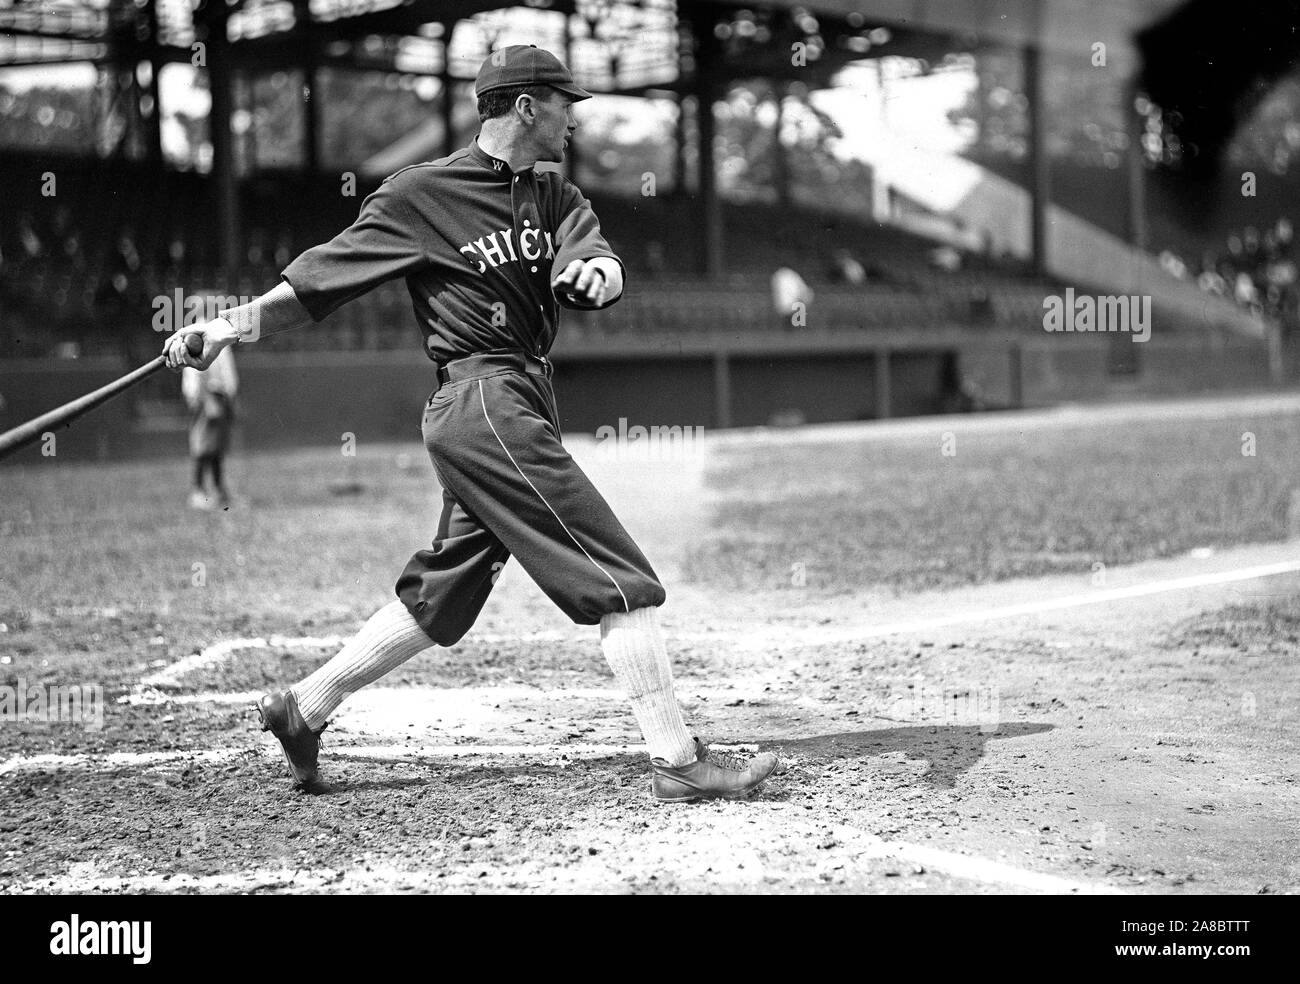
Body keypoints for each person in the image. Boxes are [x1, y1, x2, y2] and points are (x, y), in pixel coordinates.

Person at [161, 44, 780, 802]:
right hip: (481, 399)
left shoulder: (553, 193)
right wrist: (226, 328)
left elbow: (602, 262)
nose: (571, 120)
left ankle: (307, 706)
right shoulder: (421, 194)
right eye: (563, 103)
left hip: (515, 401)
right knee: (618, 579)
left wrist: (596, 277)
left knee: (445, 591)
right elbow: (319, 282)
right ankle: (678, 761)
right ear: (526, 106)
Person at [182, 344, 237, 510]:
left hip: (219, 396)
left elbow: (228, 372)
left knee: (216, 447)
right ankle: (197, 491)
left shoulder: (221, 335)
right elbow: (194, 370)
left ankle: (219, 490)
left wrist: (229, 395)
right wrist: (200, 396)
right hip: (204, 397)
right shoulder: (196, 335)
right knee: (202, 446)